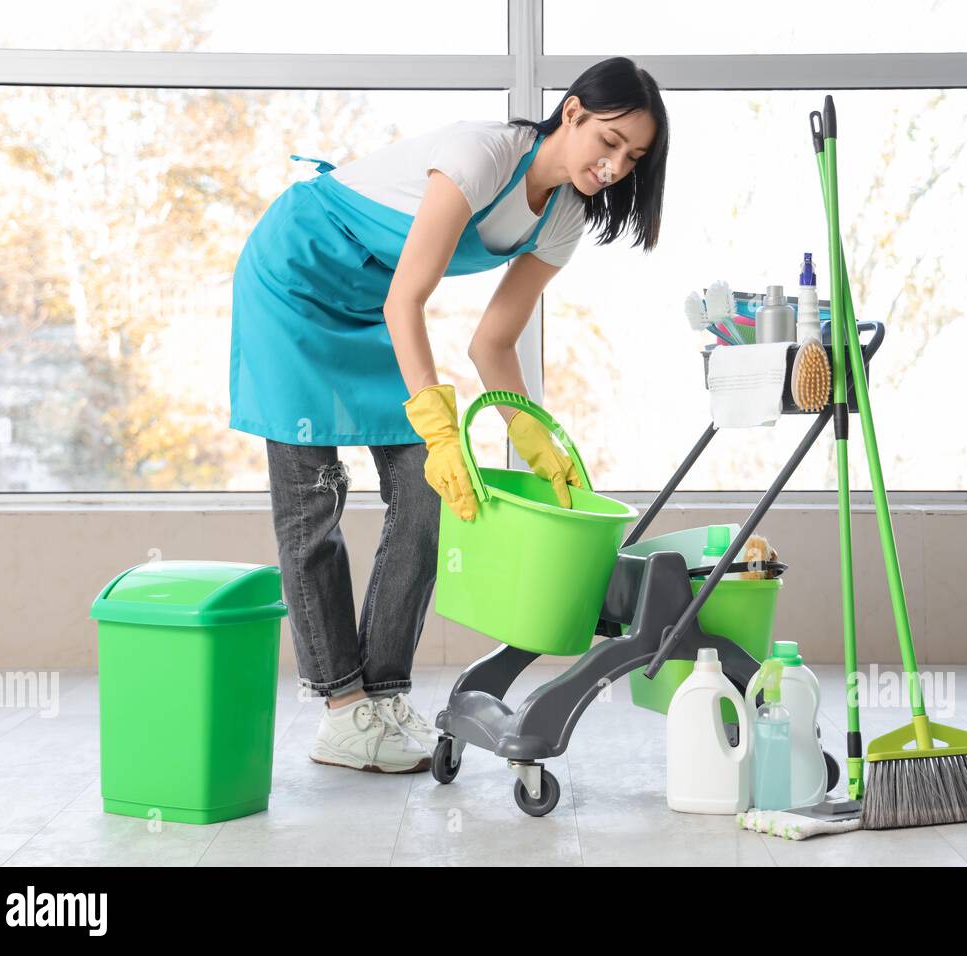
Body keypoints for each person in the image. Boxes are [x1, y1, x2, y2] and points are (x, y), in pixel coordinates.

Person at [228, 56, 669, 772]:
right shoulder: (480, 155)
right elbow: (410, 300)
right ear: (575, 112)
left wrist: (531, 435)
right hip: (297, 280)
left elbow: (493, 341)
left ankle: (380, 693)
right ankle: (343, 710)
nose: (616, 166)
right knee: (313, 505)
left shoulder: (565, 217)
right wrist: (439, 424)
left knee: (433, 496)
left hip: (375, 304)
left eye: (634, 157)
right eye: (610, 141)